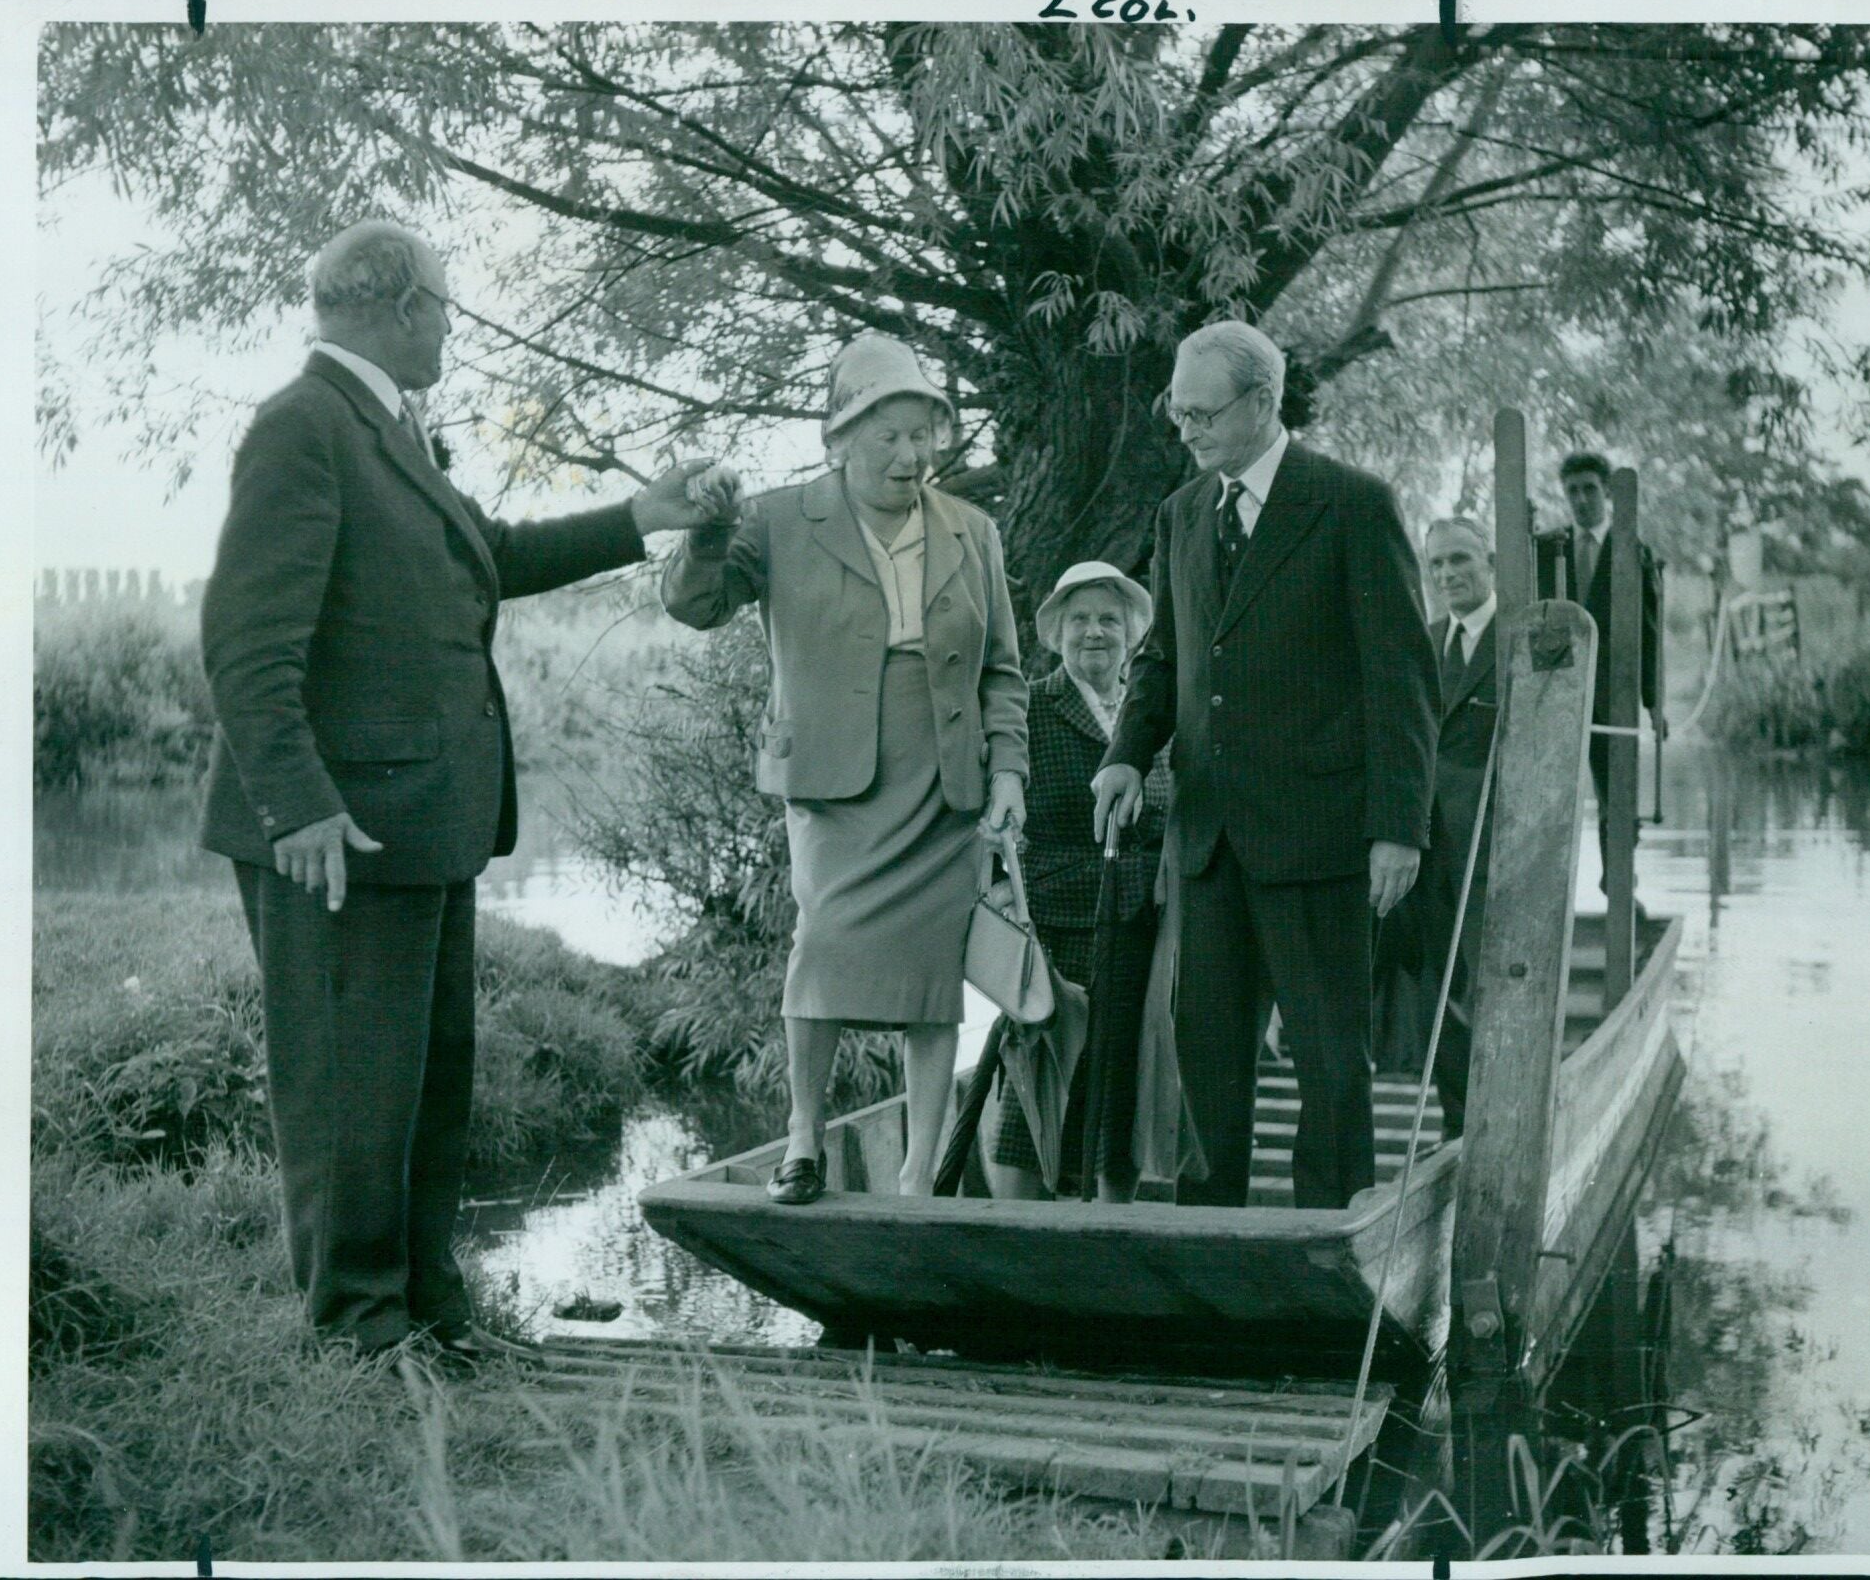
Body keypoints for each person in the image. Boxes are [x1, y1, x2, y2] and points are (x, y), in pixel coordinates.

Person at [199, 219, 731, 1362]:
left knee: (424, 1083)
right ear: (394, 305)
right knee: (350, 1090)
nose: (449, 325)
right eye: (443, 304)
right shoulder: (302, 428)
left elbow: (491, 552)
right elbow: (247, 642)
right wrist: (296, 807)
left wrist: (648, 515)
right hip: (337, 832)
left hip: (417, 826)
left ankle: (426, 1307)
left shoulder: (390, 428)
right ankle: (355, 1330)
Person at [663, 333, 1029, 1206]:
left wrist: (1009, 770)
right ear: (842, 439)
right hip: (835, 780)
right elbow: (694, 604)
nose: (911, 457)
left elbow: (1002, 671)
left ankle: (917, 1175)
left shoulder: (972, 530)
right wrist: (708, 530)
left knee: (934, 982)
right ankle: (802, 1140)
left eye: (923, 436)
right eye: (888, 437)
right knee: (821, 949)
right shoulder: (781, 520)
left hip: (946, 775)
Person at [1092, 321, 1439, 1210]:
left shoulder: (1352, 504)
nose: (1187, 429)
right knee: (1207, 1049)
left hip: (1320, 834)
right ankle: (1215, 1241)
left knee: (1328, 1053)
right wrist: (1127, 757)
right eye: (1177, 413)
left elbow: (1400, 681)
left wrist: (1398, 829)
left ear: (1263, 403)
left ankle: (1331, 1235)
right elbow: (1164, 658)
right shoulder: (1180, 515)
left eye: (1203, 413)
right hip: (1207, 836)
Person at [983, 562, 1173, 1204]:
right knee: (1039, 1073)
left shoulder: (1153, 715)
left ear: (1132, 635)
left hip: (1145, 917)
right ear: (1057, 632)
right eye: (1081, 620)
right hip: (1058, 919)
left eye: (1110, 620)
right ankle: (1011, 1224)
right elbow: (993, 814)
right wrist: (1004, 897)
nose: (1096, 632)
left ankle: (1113, 1222)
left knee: (1125, 1078)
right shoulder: (1031, 706)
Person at [1376, 516, 1500, 1135]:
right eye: (1438, 565)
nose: (1449, 574)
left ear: (1491, 564)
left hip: (1494, 847)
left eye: (1461, 560)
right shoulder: (1424, 642)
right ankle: (1457, 1123)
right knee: (1436, 980)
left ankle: (1495, 1121)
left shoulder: (1521, 644)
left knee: (1486, 982)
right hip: (1428, 848)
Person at [1542, 452, 1662, 877]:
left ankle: (1619, 887)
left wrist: (1655, 704)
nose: (1581, 499)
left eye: (1589, 488)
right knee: (1550, 797)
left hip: (1616, 695)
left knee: (1618, 796)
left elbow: (1650, 632)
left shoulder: (1633, 550)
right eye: (1572, 491)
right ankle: (1549, 902)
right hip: (1559, 695)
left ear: (1607, 492)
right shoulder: (1548, 548)